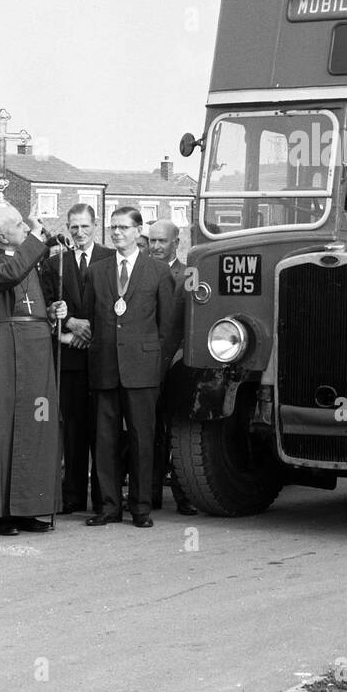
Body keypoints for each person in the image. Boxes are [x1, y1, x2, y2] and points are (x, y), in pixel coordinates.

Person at [0, 204, 64, 536]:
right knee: (2, 424)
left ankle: (30, 507)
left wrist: (52, 311)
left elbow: (30, 299)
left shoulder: (25, 259)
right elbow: (11, 274)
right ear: (3, 234)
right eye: (19, 225)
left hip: (36, 346)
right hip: (5, 344)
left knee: (37, 423)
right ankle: (1, 511)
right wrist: (36, 236)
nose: (25, 229)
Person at [85, 206, 174, 530]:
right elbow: (93, 320)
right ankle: (108, 507)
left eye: (124, 228)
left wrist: (155, 366)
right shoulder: (97, 271)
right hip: (106, 366)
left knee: (141, 439)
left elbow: (167, 327)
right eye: (113, 228)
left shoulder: (158, 270)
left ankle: (140, 507)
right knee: (105, 440)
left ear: (139, 232)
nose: (118, 233)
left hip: (142, 368)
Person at [40, 204, 112, 513]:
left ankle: (102, 497)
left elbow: (115, 301)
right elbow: (46, 303)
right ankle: (71, 496)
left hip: (101, 356)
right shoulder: (55, 263)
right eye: (73, 227)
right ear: (67, 228)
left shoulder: (110, 258)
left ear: (95, 226)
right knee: (72, 428)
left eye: (84, 226)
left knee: (102, 429)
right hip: (69, 356)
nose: (79, 233)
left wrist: (91, 328)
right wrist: (69, 323)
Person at [146, 219, 197, 515]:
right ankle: (150, 494)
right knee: (151, 433)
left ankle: (184, 497)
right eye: (151, 240)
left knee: (177, 432)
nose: (155, 246)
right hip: (145, 367)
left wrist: (178, 359)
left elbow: (191, 323)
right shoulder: (141, 271)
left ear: (176, 242)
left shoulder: (187, 275)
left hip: (176, 367)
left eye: (161, 241)